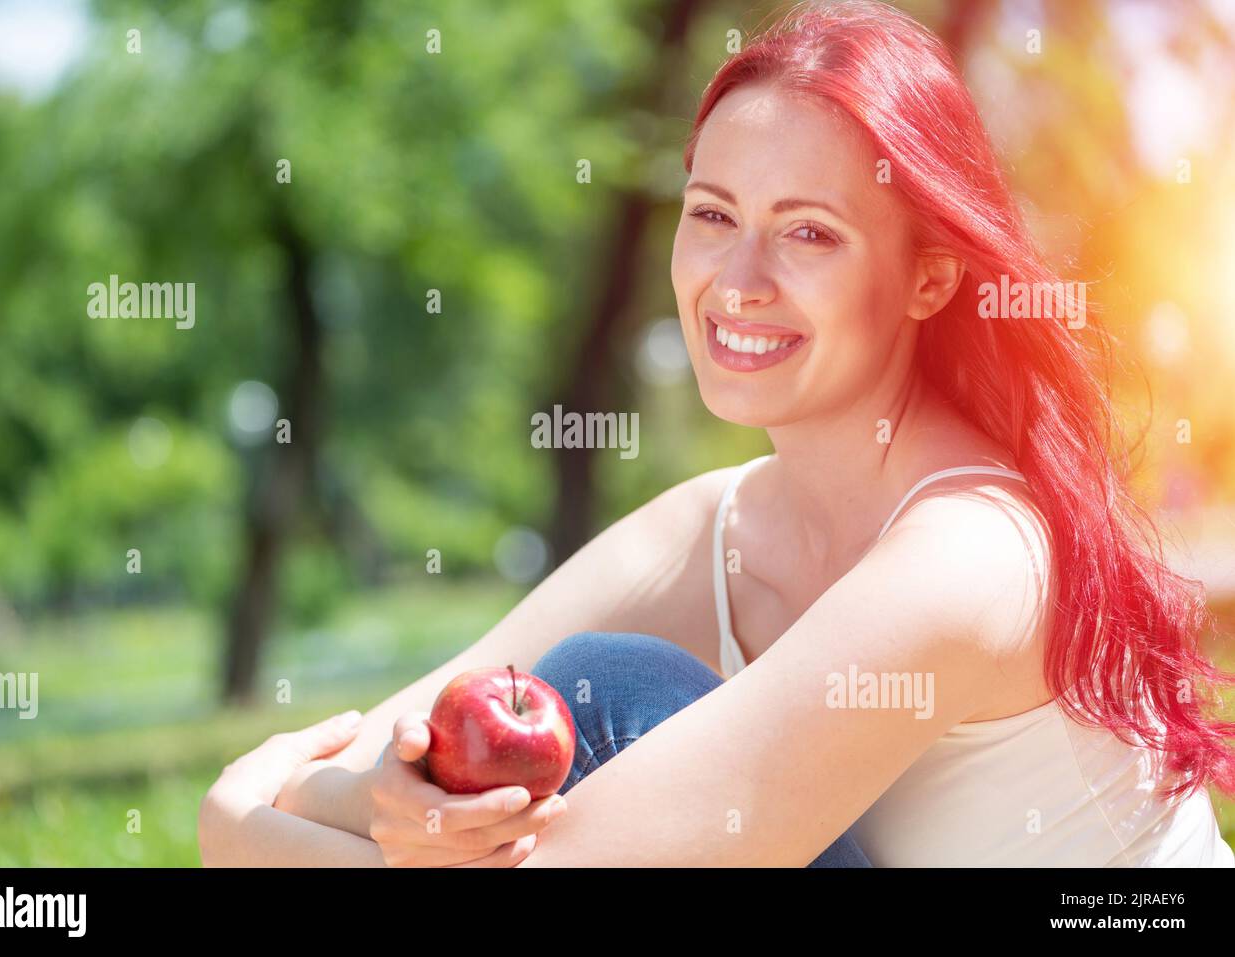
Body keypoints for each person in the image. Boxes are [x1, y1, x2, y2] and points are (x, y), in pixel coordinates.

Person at [198, 0, 1235, 867]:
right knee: (603, 684)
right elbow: (399, 738)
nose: (736, 284)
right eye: (710, 215)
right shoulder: (711, 530)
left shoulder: (967, 558)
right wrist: (394, 797)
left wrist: (243, 826)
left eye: (808, 233)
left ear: (928, 275)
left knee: (622, 687)